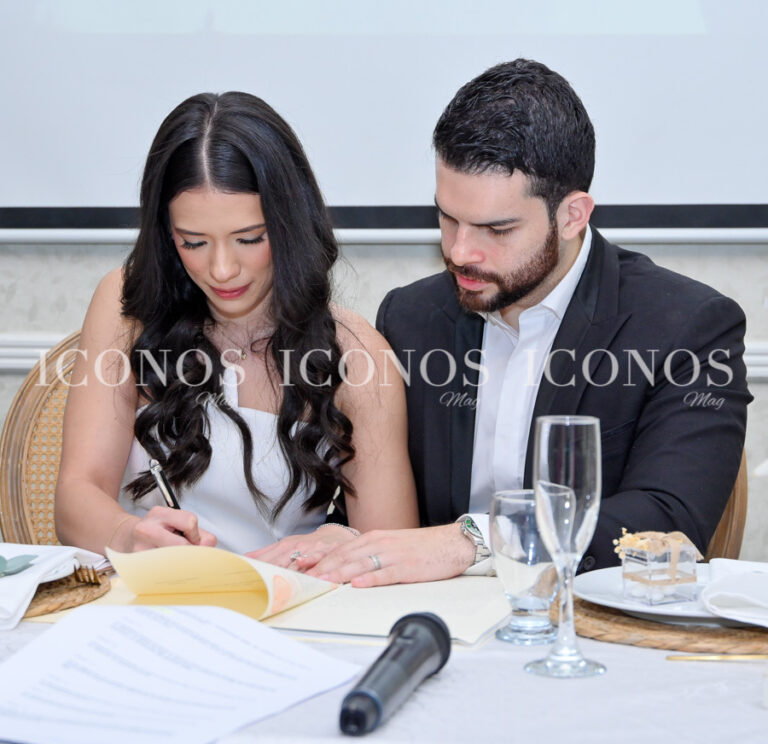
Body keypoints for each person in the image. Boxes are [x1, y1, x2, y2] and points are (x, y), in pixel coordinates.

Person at [305, 58, 752, 587]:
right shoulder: (410, 317)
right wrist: (345, 535)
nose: (458, 251)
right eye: (447, 218)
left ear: (573, 215)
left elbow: (668, 520)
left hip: (585, 632)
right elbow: (391, 506)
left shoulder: (688, 328)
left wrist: (474, 539)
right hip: (439, 622)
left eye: (496, 228)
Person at [55, 92, 419, 559]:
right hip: (146, 603)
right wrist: (126, 534)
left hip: (288, 615)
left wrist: (343, 538)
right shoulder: (126, 306)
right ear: (167, 235)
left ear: (289, 224)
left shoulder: (356, 355)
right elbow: (75, 497)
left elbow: (391, 556)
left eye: (249, 239)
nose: (222, 270)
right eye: (194, 242)